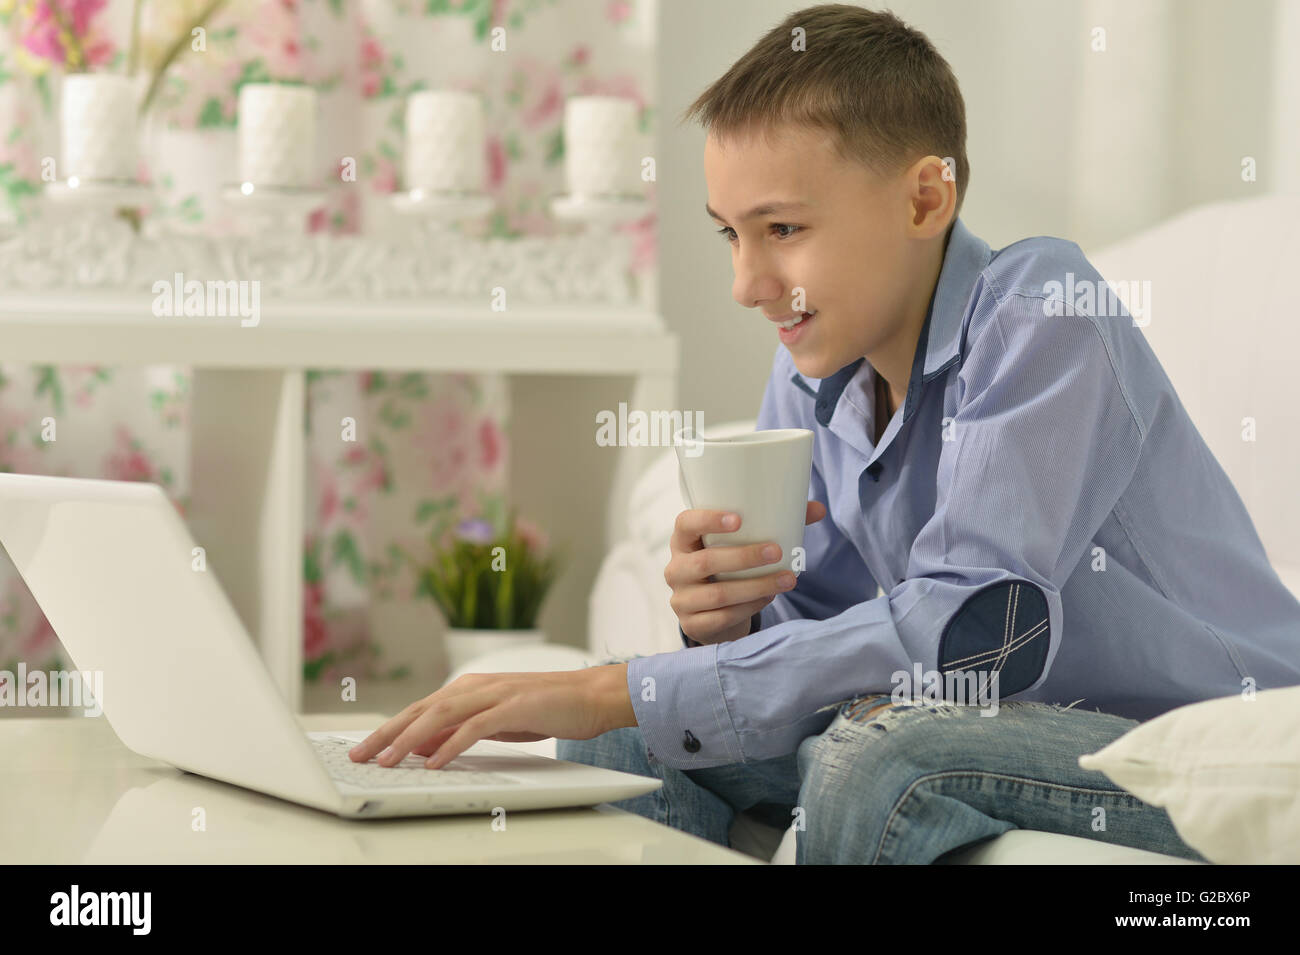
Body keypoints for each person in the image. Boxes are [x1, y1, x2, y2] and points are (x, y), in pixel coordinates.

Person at [348, 3, 1300, 864]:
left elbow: (972, 636)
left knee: (880, 753)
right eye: (731, 233)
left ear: (926, 199)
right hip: (992, 718)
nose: (747, 283)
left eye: (784, 228)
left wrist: (622, 681)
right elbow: (831, 625)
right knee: (624, 738)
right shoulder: (818, 359)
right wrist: (729, 612)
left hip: (1199, 738)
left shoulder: (1042, 307)